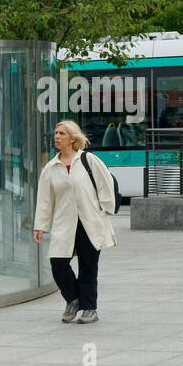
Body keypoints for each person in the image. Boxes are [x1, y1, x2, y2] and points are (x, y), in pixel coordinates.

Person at [34, 120, 117, 324]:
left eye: (62, 133)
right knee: (57, 263)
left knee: (88, 266)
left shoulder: (89, 160)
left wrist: (105, 210)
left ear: (72, 138)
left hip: (89, 221)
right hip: (64, 223)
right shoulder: (51, 168)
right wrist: (40, 225)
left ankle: (90, 308)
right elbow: (45, 199)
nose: (57, 136)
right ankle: (73, 299)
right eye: (56, 133)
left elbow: (106, 184)